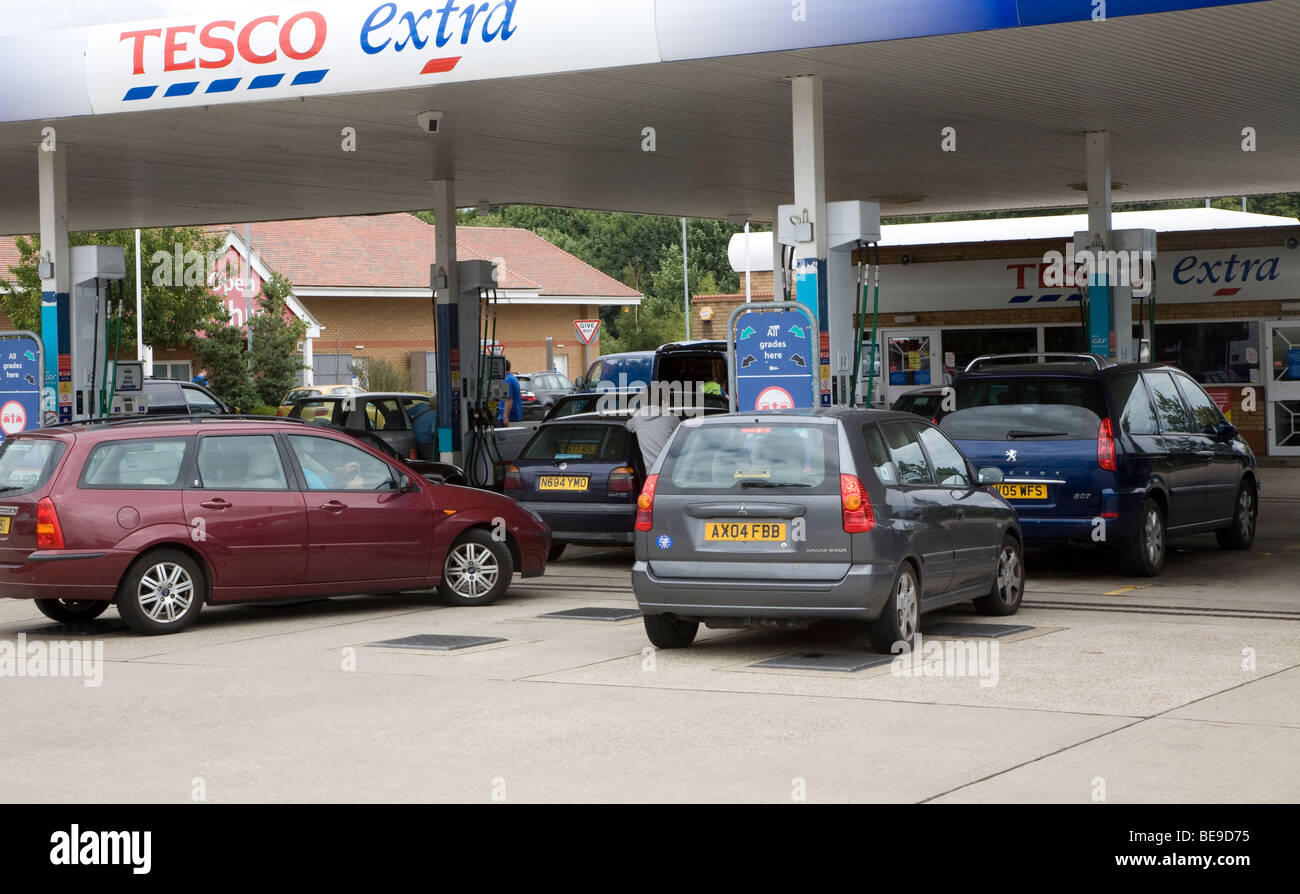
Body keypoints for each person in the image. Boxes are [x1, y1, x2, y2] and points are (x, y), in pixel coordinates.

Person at [626, 388, 680, 469]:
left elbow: (628, 426)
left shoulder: (637, 418)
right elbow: (681, 441)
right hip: (672, 470)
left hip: (651, 472)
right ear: (663, 400)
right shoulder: (672, 418)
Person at [496, 358, 523, 428]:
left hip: (508, 417)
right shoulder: (513, 378)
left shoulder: (506, 380)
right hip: (516, 415)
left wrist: (505, 417)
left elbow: (508, 399)